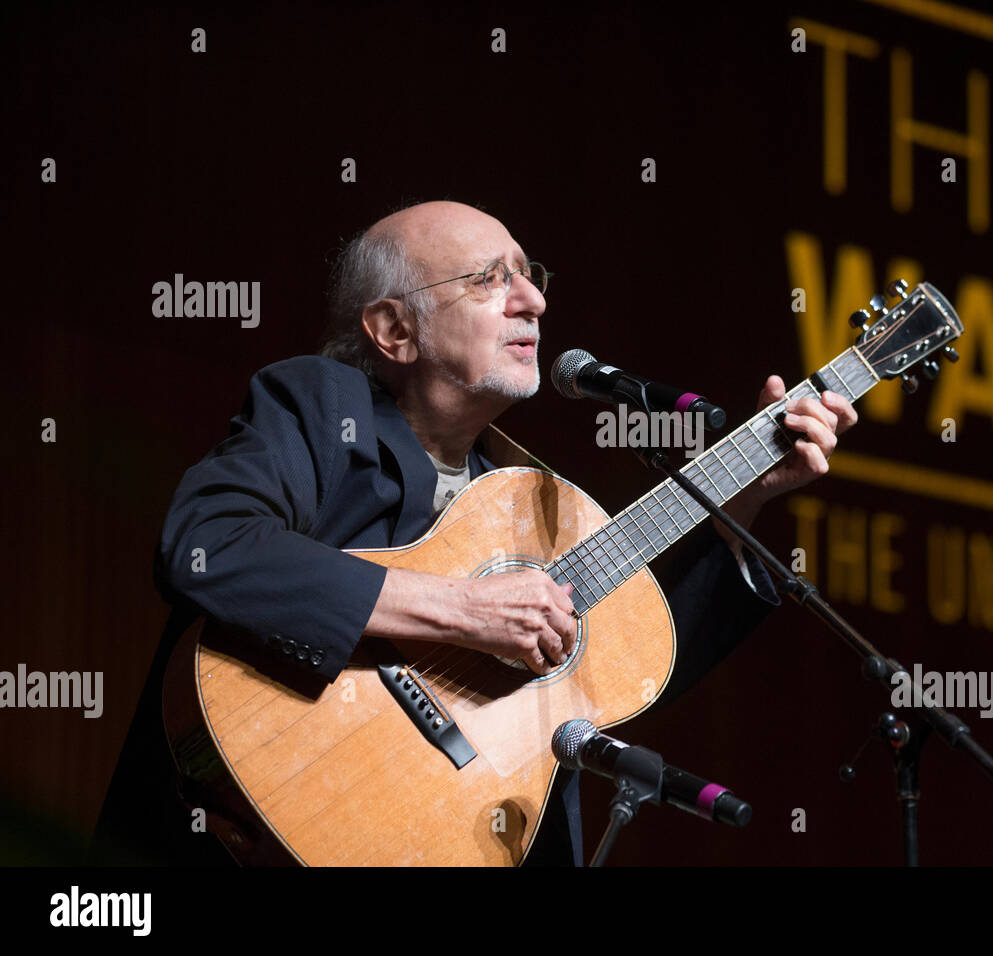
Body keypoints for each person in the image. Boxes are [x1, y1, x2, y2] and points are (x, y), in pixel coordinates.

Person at [91, 200, 857, 866]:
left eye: (530, 275)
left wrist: (749, 497)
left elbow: (623, 676)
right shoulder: (322, 407)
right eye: (490, 278)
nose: (531, 300)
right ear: (394, 330)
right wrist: (465, 611)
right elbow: (208, 545)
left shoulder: (535, 502)